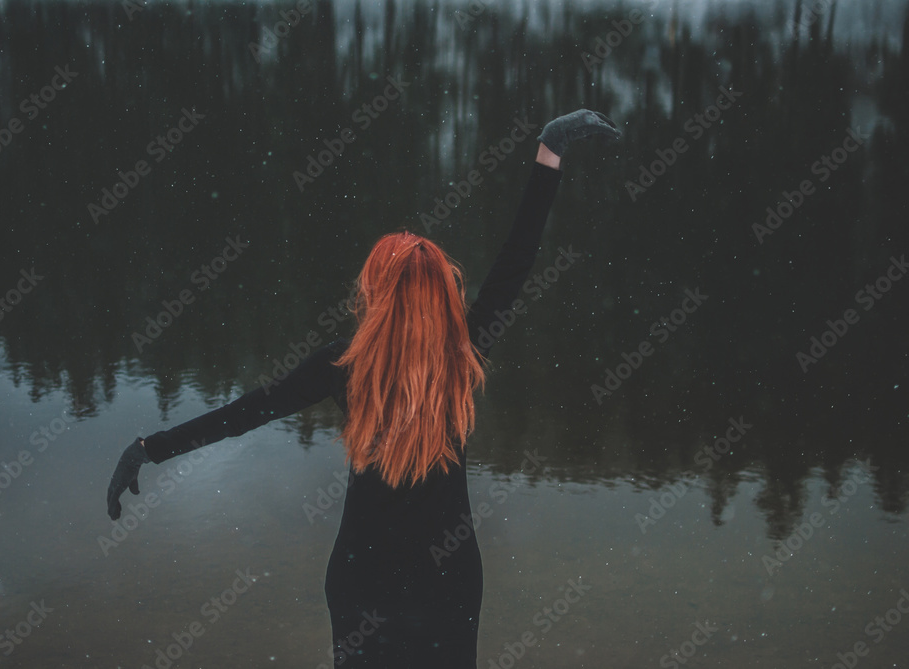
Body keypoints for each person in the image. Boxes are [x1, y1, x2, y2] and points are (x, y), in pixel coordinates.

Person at [107, 109, 620, 668]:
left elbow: (246, 412)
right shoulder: (462, 355)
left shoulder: (342, 365)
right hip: (445, 582)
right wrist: (549, 151)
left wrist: (148, 449)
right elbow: (515, 262)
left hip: (363, 580)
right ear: (441, 297)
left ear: (377, 292)